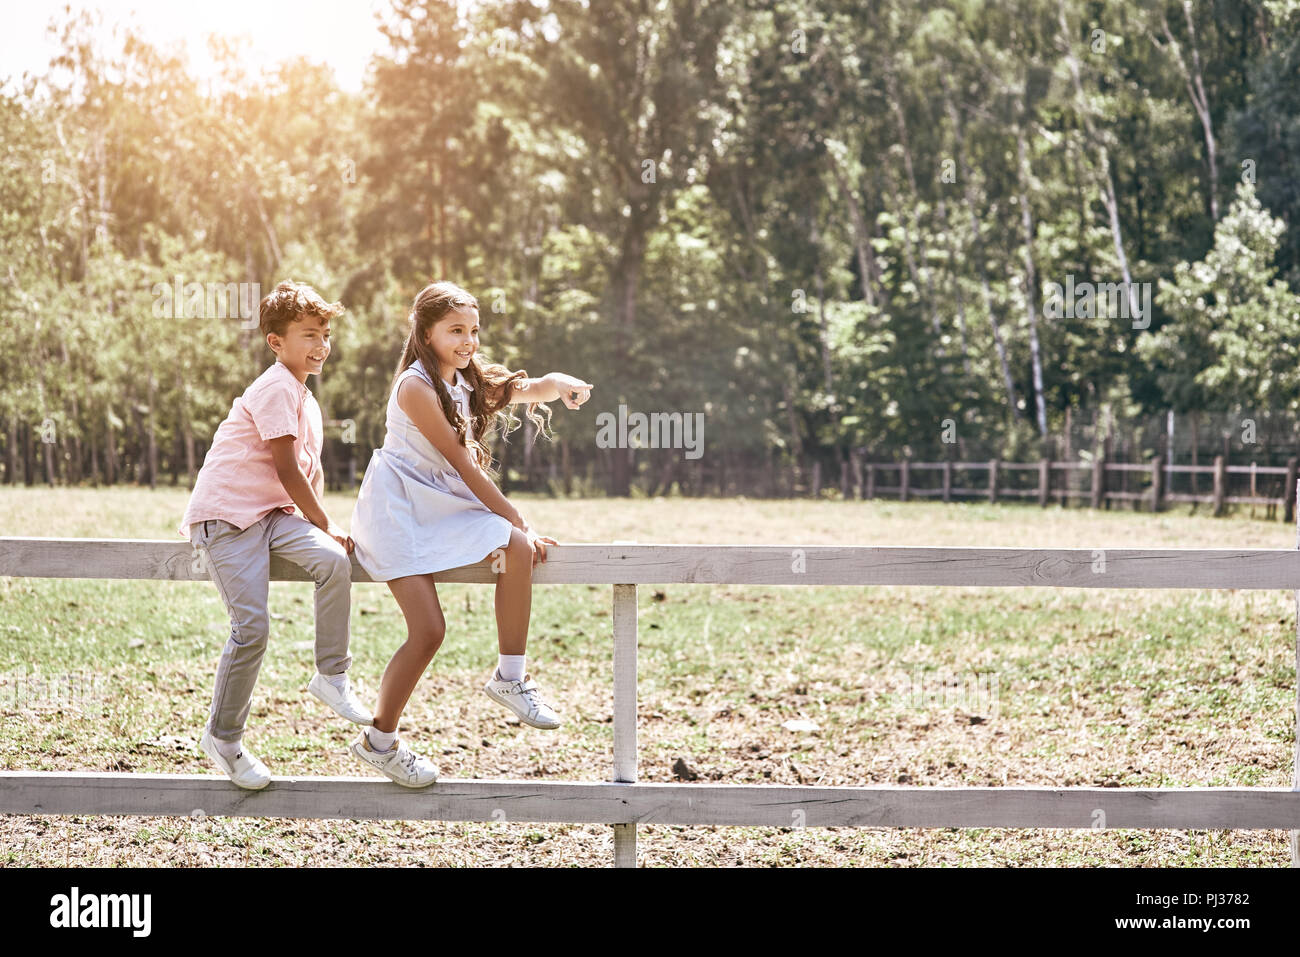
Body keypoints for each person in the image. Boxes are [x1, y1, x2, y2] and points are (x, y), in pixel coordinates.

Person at [349, 281, 593, 787]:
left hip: (440, 503)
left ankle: (511, 677)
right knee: (429, 631)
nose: (468, 341)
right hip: (398, 509)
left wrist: (558, 381)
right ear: (425, 332)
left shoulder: (465, 379)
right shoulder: (415, 387)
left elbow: (525, 388)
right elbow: (462, 464)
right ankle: (380, 742)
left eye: (474, 331)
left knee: (517, 548)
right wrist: (518, 517)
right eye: (455, 330)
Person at [180, 280, 372, 790]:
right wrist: (325, 521)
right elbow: (287, 467)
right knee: (252, 629)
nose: (321, 345)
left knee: (333, 561)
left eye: (326, 334)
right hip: (228, 517)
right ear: (276, 342)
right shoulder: (274, 387)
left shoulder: (303, 395)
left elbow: (306, 474)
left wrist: (325, 531)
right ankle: (224, 738)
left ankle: (332, 677)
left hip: (273, 515)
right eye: (309, 334)